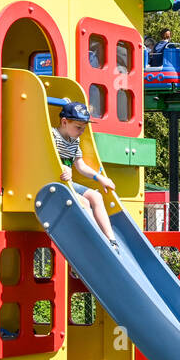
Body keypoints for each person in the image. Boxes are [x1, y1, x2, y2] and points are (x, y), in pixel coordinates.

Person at [52, 101, 119, 250]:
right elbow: (47, 157)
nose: (81, 131)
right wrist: (62, 167)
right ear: (64, 122)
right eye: (78, 127)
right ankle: (97, 238)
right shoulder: (53, 136)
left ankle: (111, 239)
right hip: (54, 183)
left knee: (97, 197)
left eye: (84, 128)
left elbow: (80, 166)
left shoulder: (74, 140)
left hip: (68, 184)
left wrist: (100, 178)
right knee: (84, 202)